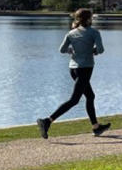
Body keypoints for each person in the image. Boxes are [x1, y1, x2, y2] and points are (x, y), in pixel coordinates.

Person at [37, 9, 110, 139]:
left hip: (73, 69)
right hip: (85, 68)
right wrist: (92, 51)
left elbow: (62, 49)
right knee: (74, 100)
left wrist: (74, 52)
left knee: (90, 96)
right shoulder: (94, 33)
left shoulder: (71, 33)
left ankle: (96, 127)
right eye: (91, 17)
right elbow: (101, 49)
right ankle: (47, 121)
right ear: (89, 19)